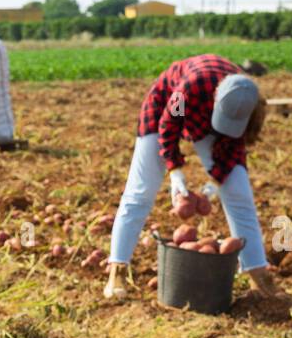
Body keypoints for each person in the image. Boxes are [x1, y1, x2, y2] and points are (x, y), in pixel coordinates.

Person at [105, 54, 281, 300]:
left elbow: (231, 150)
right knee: (141, 189)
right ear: (216, 99)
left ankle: (258, 274)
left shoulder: (244, 102)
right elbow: (168, 126)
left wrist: (213, 187)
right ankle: (117, 269)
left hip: (211, 115)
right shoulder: (187, 90)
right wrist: (176, 174)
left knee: (239, 192)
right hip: (163, 111)